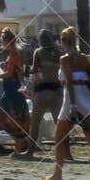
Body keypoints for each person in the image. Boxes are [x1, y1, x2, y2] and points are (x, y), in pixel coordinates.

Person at [42, 27, 90, 180]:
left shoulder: (65, 59)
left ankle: (58, 174)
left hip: (72, 99)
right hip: (86, 98)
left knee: (59, 138)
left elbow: (69, 83)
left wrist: (72, 105)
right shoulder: (83, 58)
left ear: (64, 42)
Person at [23, 30, 61, 160]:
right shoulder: (59, 52)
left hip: (42, 90)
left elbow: (34, 71)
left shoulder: (38, 52)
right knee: (60, 124)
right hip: (57, 90)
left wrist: (29, 88)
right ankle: (65, 152)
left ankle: (30, 152)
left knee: (35, 123)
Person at [0, 29, 31, 151]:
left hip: (12, 88)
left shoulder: (14, 54)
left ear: (7, 41)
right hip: (10, 88)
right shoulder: (14, 53)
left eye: (2, 40)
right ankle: (20, 142)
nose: (1, 42)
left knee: (9, 117)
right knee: (6, 118)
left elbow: (9, 74)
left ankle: (20, 143)